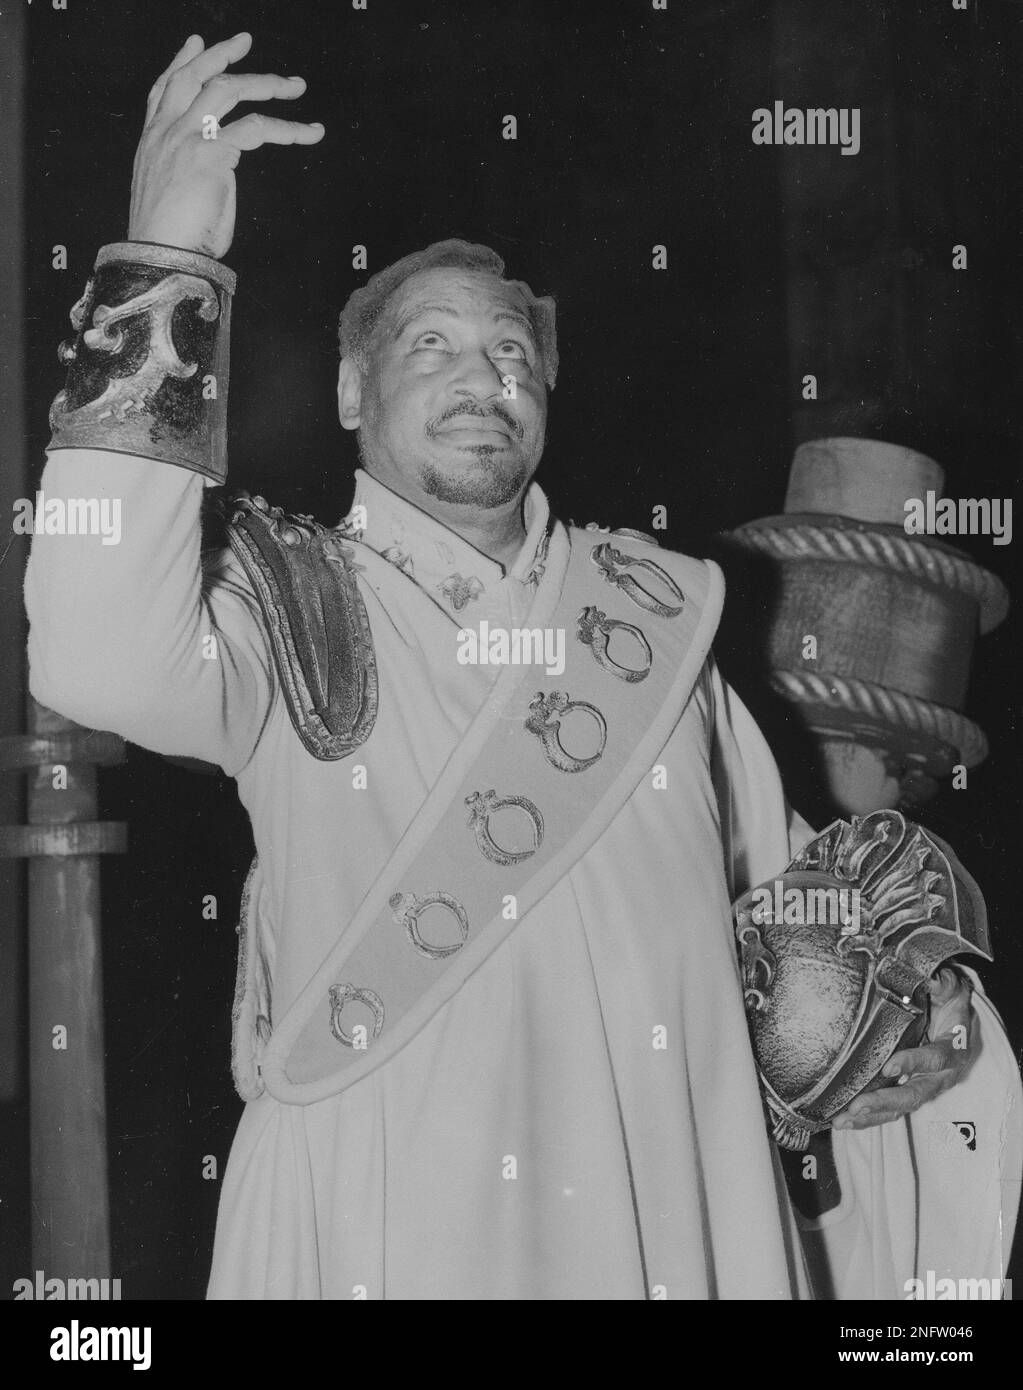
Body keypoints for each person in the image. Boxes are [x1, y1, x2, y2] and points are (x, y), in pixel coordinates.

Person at [24, 32, 1021, 1300]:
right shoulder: (292, 601)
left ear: (545, 391)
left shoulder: (657, 626)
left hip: (668, 1208)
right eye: (428, 347)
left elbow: (790, 920)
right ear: (349, 391)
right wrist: (170, 256)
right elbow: (95, 651)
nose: (481, 376)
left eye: (509, 351)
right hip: (388, 1223)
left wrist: (899, 1038)